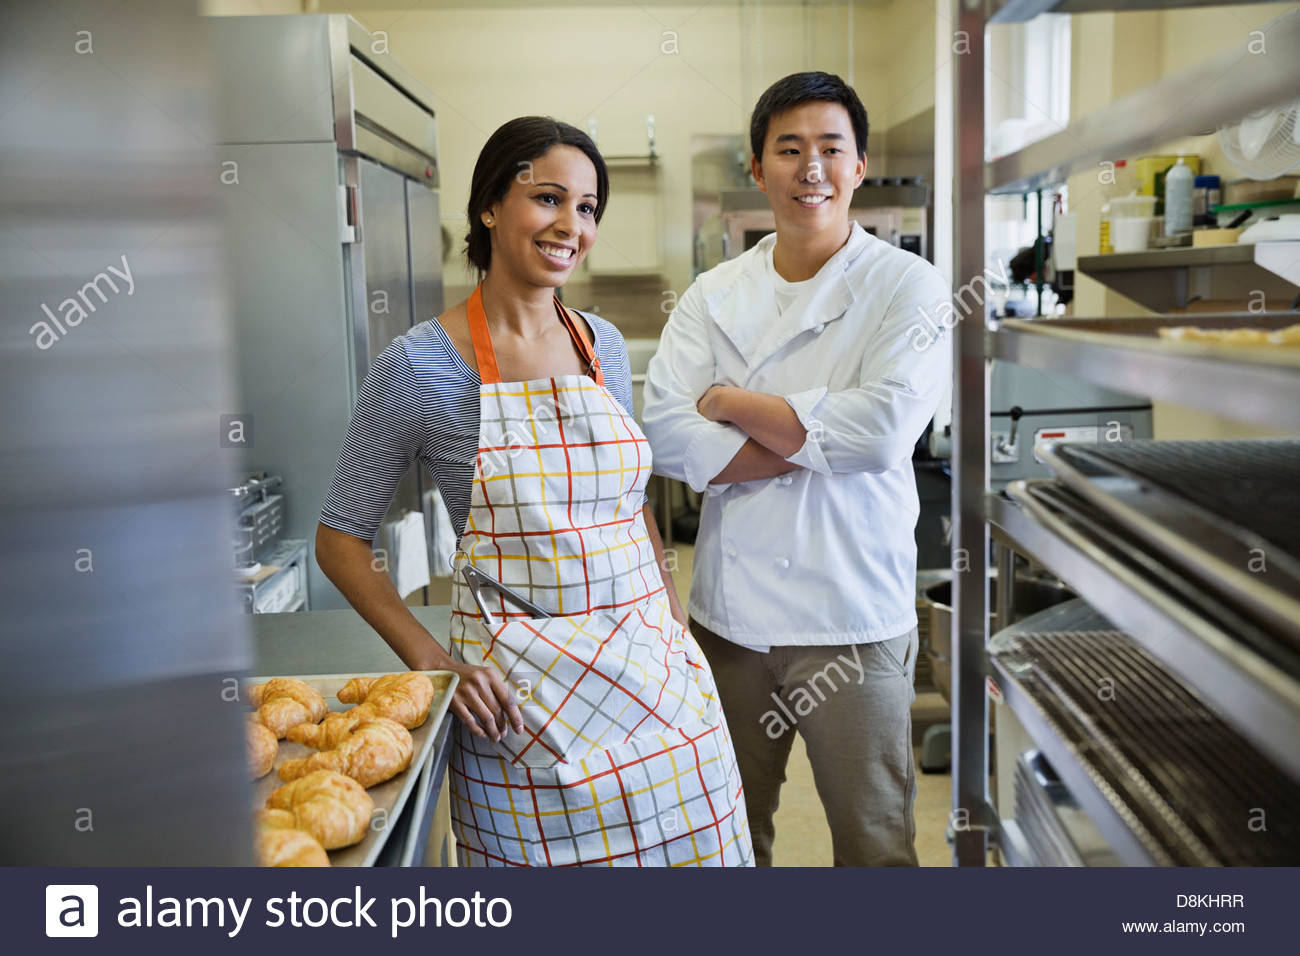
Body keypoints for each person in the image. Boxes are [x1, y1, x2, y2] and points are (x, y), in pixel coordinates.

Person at [316, 116, 752, 867]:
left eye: (587, 208)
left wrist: (672, 623)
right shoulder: (419, 366)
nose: (570, 226)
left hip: (657, 690)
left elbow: (629, 504)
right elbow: (339, 538)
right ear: (490, 206)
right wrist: (430, 658)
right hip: (521, 710)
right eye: (548, 198)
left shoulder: (602, 343)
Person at [642, 72, 951, 867]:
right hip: (732, 621)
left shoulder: (907, 288)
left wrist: (728, 399)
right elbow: (665, 434)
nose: (810, 167)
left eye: (829, 149)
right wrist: (805, 439)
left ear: (858, 165)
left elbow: (880, 433)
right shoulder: (712, 296)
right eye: (789, 149)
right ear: (759, 168)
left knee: (875, 843)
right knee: (725, 839)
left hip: (852, 614)